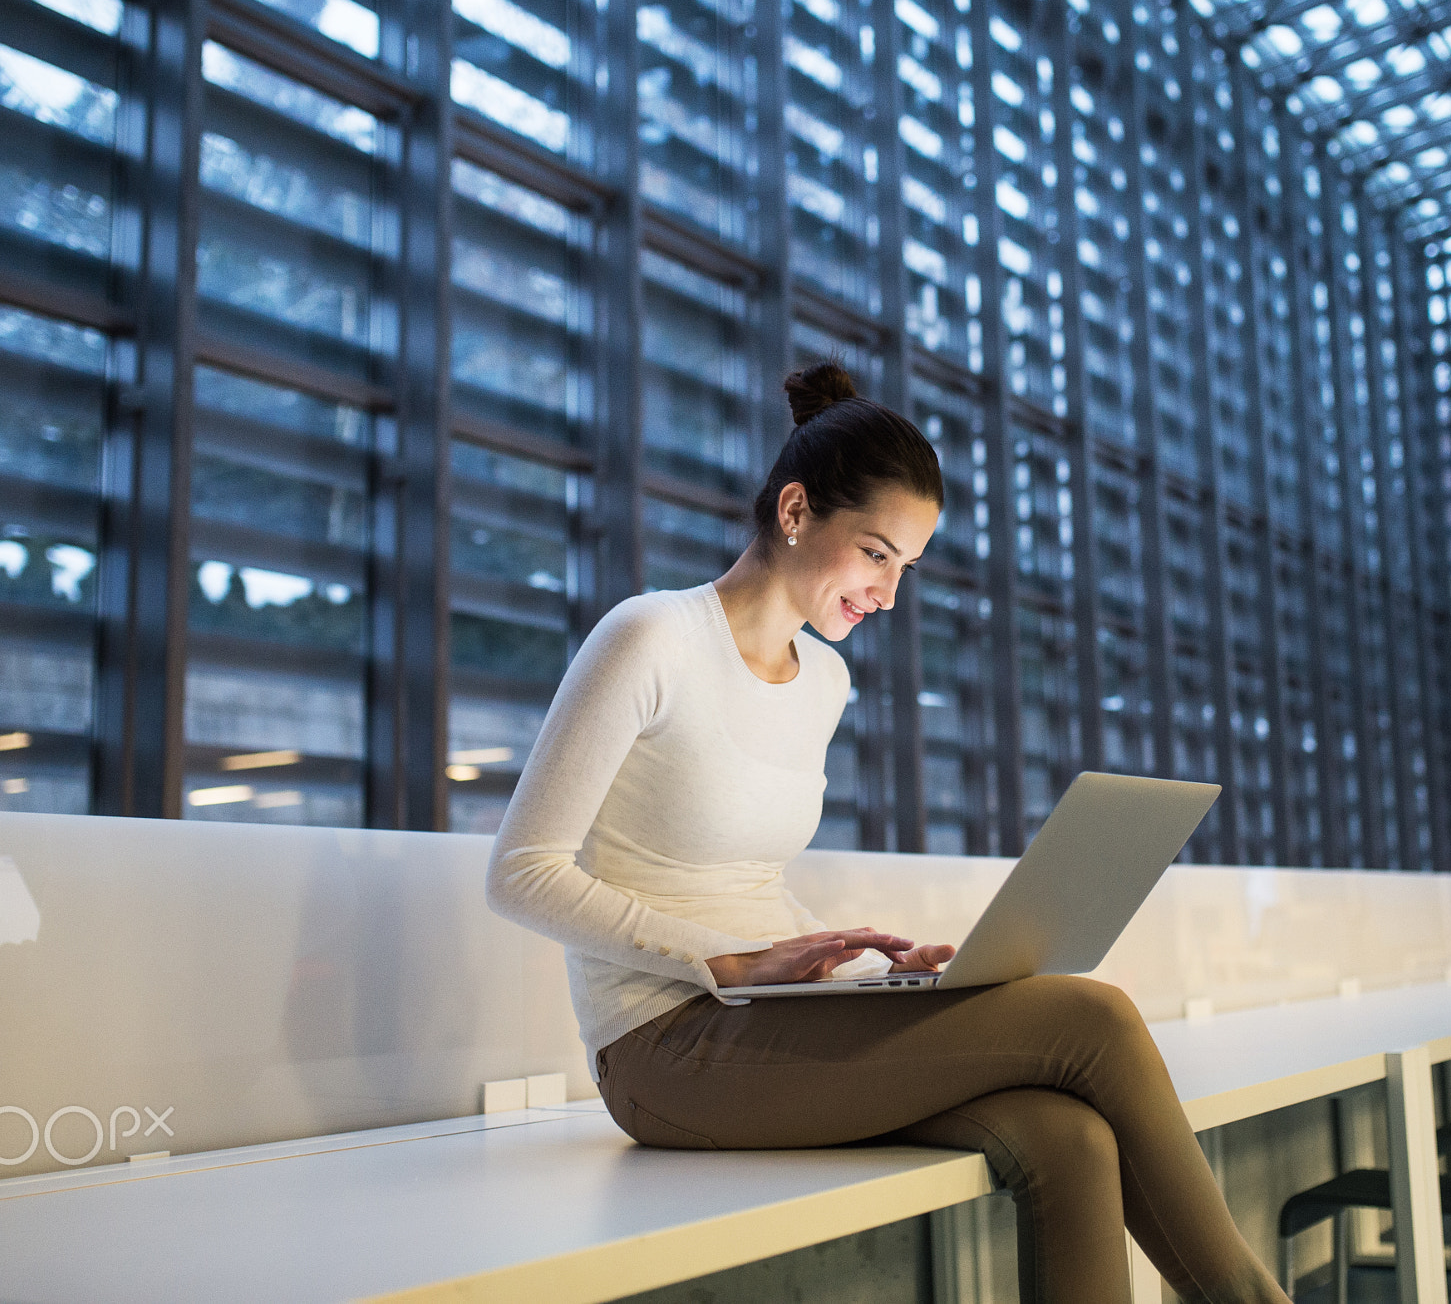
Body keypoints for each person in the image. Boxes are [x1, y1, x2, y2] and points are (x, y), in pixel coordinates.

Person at [486, 362, 1288, 1304]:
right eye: (875, 554)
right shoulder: (652, 637)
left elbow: (748, 882)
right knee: (1093, 1016)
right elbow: (521, 872)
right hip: (663, 1048)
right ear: (795, 511)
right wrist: (727, 960)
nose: (889, 594)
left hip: (771, 1021)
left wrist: (878, 978)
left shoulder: (824, 680)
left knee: (1068, 1136)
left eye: (905, 566)